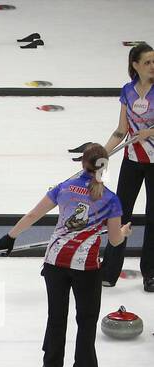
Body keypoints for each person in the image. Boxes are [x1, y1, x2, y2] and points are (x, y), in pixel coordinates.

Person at [0, 143, 131, 367]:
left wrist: (10, 237)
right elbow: (113, 241)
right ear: (104, 167)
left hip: (55, 262)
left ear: (82, 163)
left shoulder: (64, 187)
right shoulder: (111, 199)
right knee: (86, 322)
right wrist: (123, 232)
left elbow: (34, 214)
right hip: (85, 267)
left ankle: (52, 365)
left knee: (57, 315)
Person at [99, 42, 154, 291]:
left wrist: (150, 131)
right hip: (131, 161)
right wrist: (101, 154)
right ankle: (109, 270)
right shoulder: (127, 91)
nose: (152, 66)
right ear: (135, 65)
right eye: (147, 62)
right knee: (120, 214)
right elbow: (121, 130)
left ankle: (151, 273)